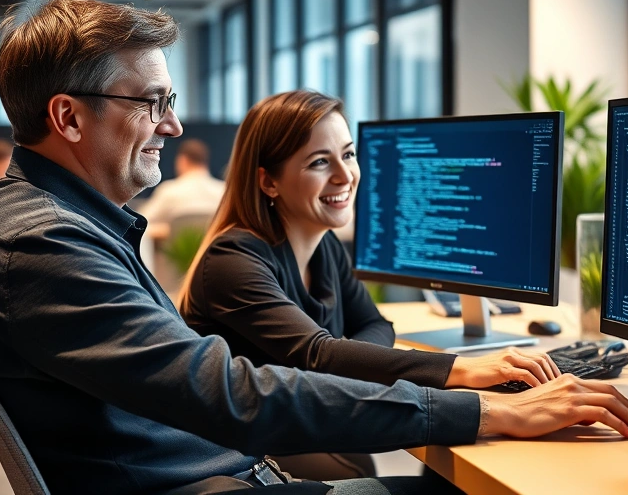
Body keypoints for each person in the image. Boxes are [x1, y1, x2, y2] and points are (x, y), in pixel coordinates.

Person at [0, 0, 628, 495]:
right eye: (153, 103)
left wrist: (474, 398)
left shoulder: (78, 226)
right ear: (68, 116)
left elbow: (333, 340)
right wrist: (486, 408)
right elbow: (229, 391)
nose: (175, 124)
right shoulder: (44, 245)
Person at [178, 90, 574, 480]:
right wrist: (463, 369)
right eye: (319, 162)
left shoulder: (324, 246)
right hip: (245, 452)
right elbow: (315, 355)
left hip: (304, 423)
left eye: (348, 154)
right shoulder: (233, 260)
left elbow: (376, 324)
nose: (345, 175)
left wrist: (348, 361)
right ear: (269, 182)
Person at [138, 138, 225, 225]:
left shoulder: (169, 190)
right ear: (205, 161)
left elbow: (141, 223)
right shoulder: (224, 190)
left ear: (182, 160)